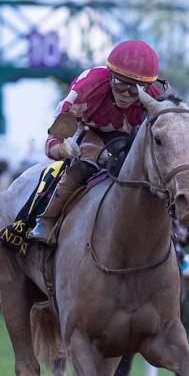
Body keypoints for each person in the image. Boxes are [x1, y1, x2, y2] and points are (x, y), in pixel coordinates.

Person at [28, 40, 163, 244]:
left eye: (136, 89)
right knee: (87, 161)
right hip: (89, 131)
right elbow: (51, 142)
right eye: (120, 85)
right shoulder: (86, 88)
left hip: (130, 136)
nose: (127, 95)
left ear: (148, 87)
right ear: (110, 77)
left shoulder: (156, 98)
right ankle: (46, 220)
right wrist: (64, 148)